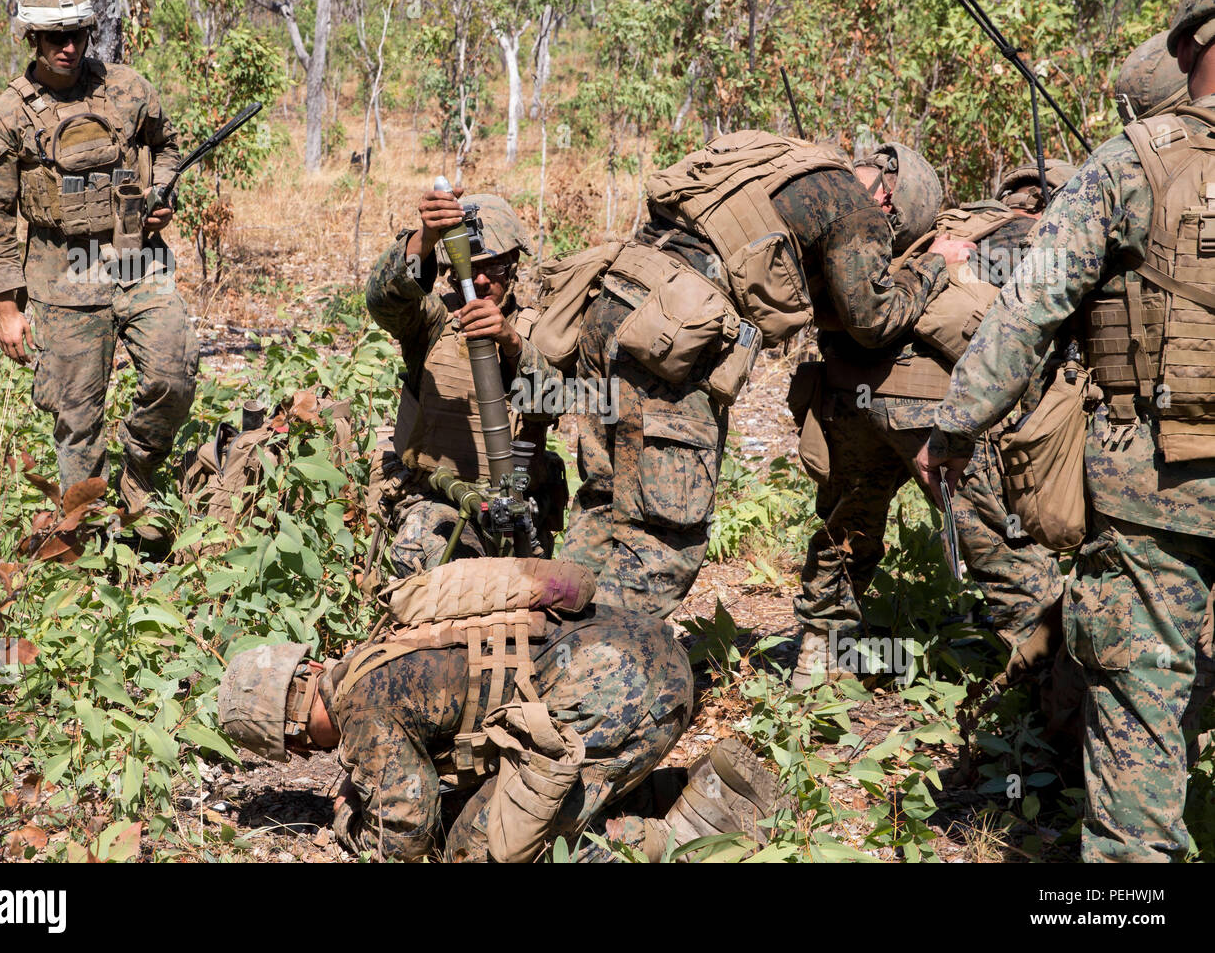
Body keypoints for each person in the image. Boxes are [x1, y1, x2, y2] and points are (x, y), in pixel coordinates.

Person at [916, 0, 1215, 862]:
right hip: (1152, 491)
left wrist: (956, 426)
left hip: (1155, 491)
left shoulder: (1130, 162)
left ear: (1192, 44)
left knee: (1142, 716)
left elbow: (1029, 311)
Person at [547, 132, 965, 621]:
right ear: (891, 202)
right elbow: (872, 319)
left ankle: (551, 634)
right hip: (666, 342)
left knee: (604, 498)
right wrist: (936, 264)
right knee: (664, 535)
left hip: (611, 307)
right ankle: (608, 665)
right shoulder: (859, 210)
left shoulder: (792, 169)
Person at [218, 556, 783, 862]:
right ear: (310, 668)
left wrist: (350, 821)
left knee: (489, 853)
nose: (307, 752)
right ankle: (703, 788)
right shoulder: (376, 650)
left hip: (618, 687)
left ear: (294, 732)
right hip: (644, 653)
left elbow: (406, 837)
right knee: (501, 807)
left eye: (295, 745)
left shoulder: (360, 711)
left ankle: (692, 839)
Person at [790, 142, 1068, 688]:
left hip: (848, 396)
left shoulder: (909, 234)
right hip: (927, 410)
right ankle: (1042, 685)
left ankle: (816, 657)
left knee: (846, 525)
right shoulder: (1028, 236)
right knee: (997, 541)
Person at [0, 0, 196, 545]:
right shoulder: (4, 119)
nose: (67, 47)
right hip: (61, 276)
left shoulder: (127, 88)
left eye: (75, 33)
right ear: (32, 38)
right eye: (53, 37)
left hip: (134, 260)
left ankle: (139, 476)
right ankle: (88, 539)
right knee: (77, 419)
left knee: (174, 369)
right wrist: (7, 309)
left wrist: (162, 194)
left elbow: (167, 147)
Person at [364, 188, 566, 581]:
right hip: (437, 496)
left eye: (493, 268)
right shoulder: (433, 320)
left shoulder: (537, 328)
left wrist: (513, 345)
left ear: (514, 265)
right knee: (438, 563)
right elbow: (381, 301)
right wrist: (423, 239)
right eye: (466, 269)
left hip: (516, 506)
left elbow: (553, 403)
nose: (479, 280)